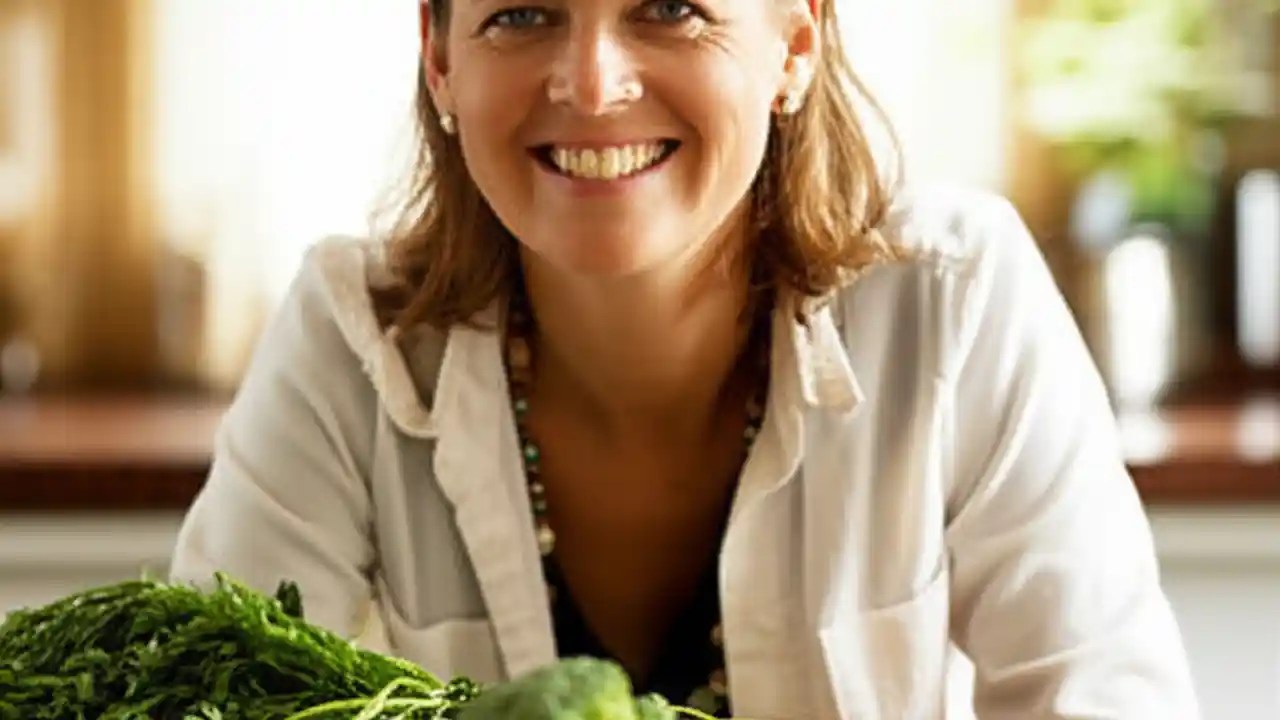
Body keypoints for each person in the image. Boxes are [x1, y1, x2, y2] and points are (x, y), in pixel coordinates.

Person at [170, 0, 1200, 716]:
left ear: (793, 43)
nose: (589, 82)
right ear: (440, 59)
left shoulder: (954, 301)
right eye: (520, 15)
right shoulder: (347, 338)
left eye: (669, 7)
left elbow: (1100, 699)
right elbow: (191, 696)